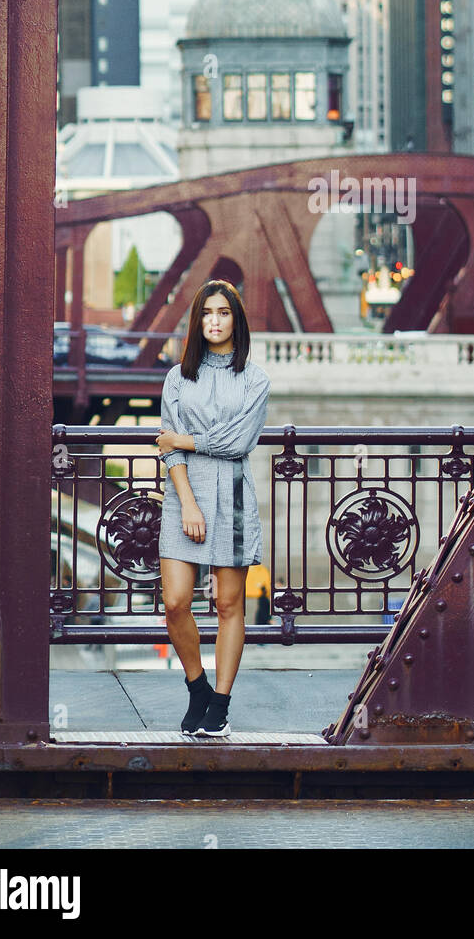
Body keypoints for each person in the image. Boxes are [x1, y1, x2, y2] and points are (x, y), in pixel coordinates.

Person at [156, 279, 271, 739]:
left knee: (228, 604)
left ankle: (220, 704)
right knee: (175, 601)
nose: (215, 321)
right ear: (197, 321)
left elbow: (238, 443)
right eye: (207, 313)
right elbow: (169, 451)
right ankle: (197, 686)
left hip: (235, 496)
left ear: (235, 320)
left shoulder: (256, 378)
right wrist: (187, 502)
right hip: (186, 496)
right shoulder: (178, 377)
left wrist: (184, 438)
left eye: (224, 313)